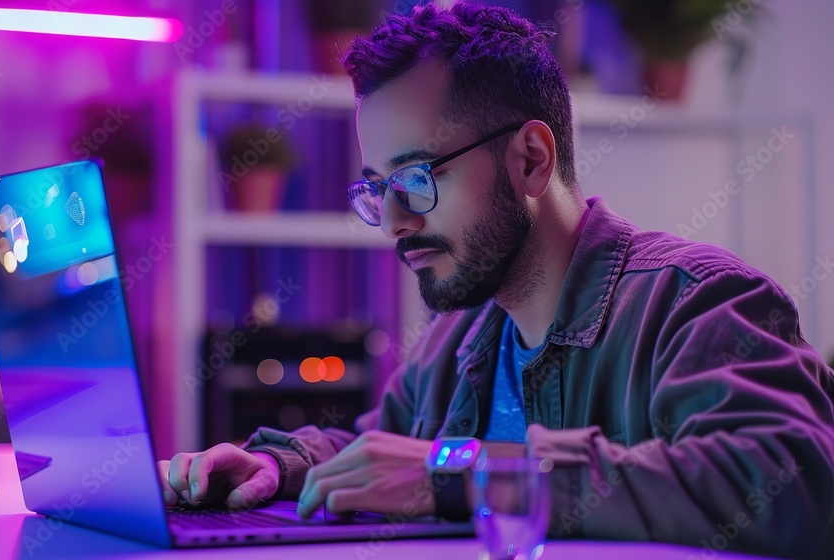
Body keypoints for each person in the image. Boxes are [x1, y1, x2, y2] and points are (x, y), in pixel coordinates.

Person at [159, 3, 834, 557]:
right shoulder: (459, 337)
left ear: (532, 161)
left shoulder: (699, 304)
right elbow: (381, 447)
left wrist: (475, 476)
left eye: (417, 179)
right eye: (377, 189)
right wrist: (281, 469)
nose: (391, 222)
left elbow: (798, 484)